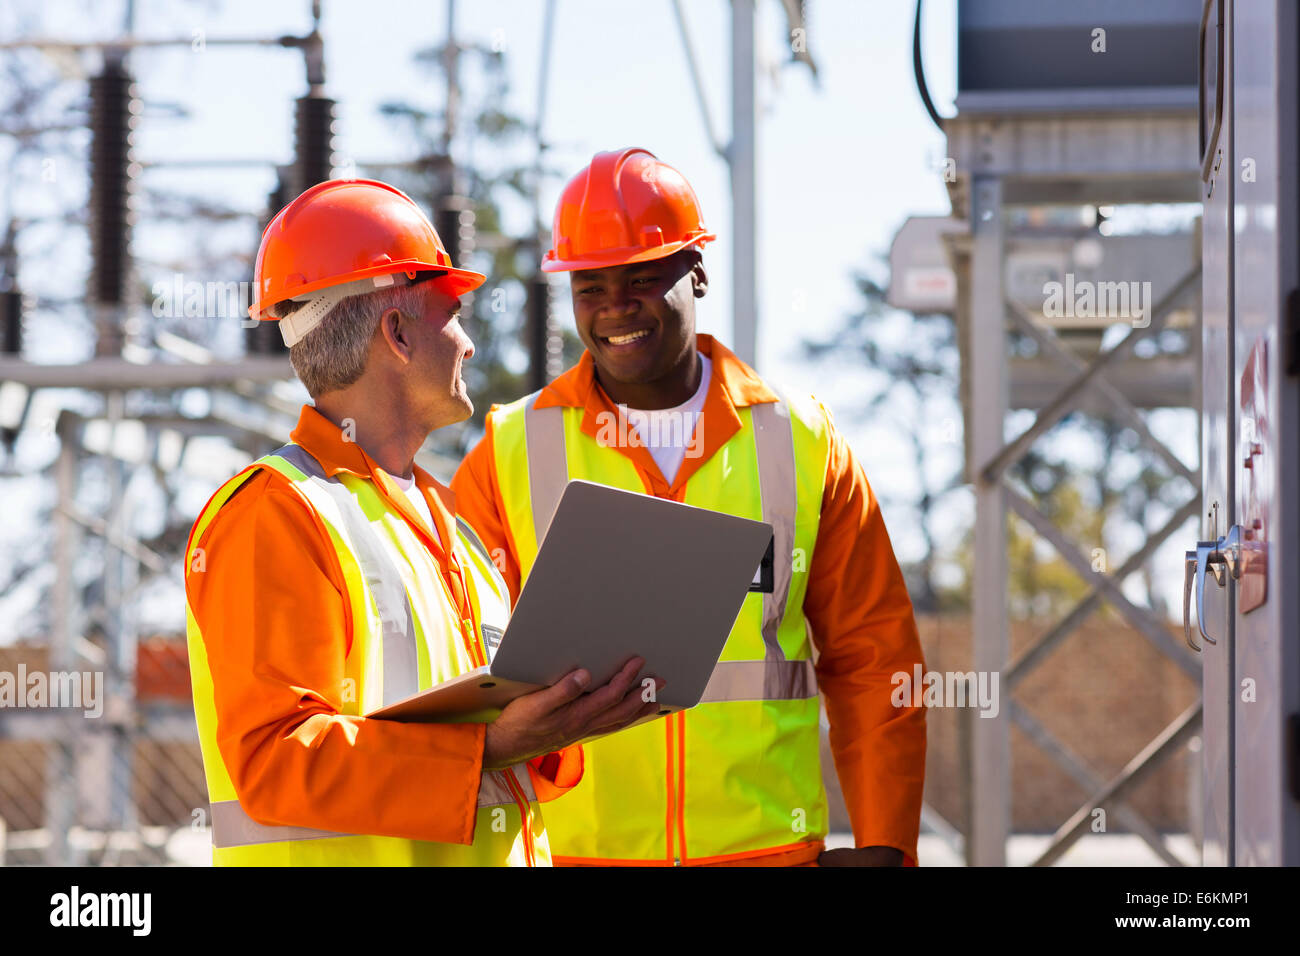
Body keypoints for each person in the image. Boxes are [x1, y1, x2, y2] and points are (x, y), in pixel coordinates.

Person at [452, 148, 927, 867]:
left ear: (697, 272)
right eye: (591, 286)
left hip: (766, 854)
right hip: (580, 856)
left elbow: (874, 659)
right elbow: (461, 672)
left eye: (642, 279)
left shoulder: (803, 443)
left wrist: (886, 844)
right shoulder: (509, 451)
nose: (615, 307)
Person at [184, 178, 660, 866]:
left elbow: (491, 758)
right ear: (398, 332)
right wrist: (495, 746)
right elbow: (276, 762)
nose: (468, 343)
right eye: (453, 313)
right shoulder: (276, 514)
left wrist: (561, 721)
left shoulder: (448, 527)